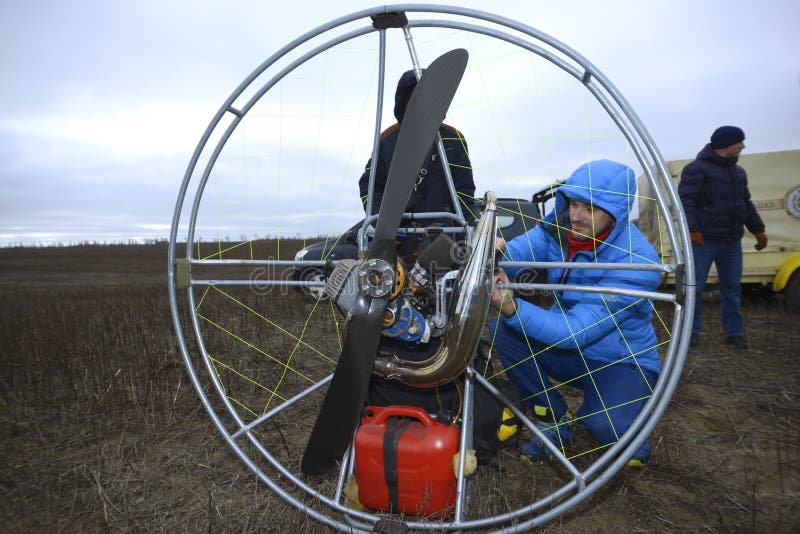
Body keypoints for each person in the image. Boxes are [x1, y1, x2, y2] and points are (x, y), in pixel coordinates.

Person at [489, 159, 661, 467]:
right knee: (504, 332)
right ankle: (554, 419)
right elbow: (517, 254)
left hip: (622, 362)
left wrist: (512, 306)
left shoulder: (637, 263)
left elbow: (575, 331)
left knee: (606, 427)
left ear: (616, 213)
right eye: (574, 204)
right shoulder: (558, 230)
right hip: (574, 355)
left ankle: (630, 433)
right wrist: (497, 252)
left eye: (590, 209)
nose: (576, 216)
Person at [678, 126, 767, 349]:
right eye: (740, 141)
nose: (743, 146)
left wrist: (758, 229)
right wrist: (692, 229)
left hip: (731, 241)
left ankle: (733, 333)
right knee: (694, 287)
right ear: (725, 143)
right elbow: (686, 202)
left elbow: (745, 204)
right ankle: (691, 333)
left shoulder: (738, 173)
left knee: (732, 288)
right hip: (703, 241)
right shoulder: (695, 170)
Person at [358, 69, 476, 228]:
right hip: (396, 237)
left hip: (443, 235)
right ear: (403, 103)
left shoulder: (453, 138)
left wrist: (469, 228)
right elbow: (370, 186)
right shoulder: (387, 139)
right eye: (413, 98)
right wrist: (381, 222)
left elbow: (464, 192)